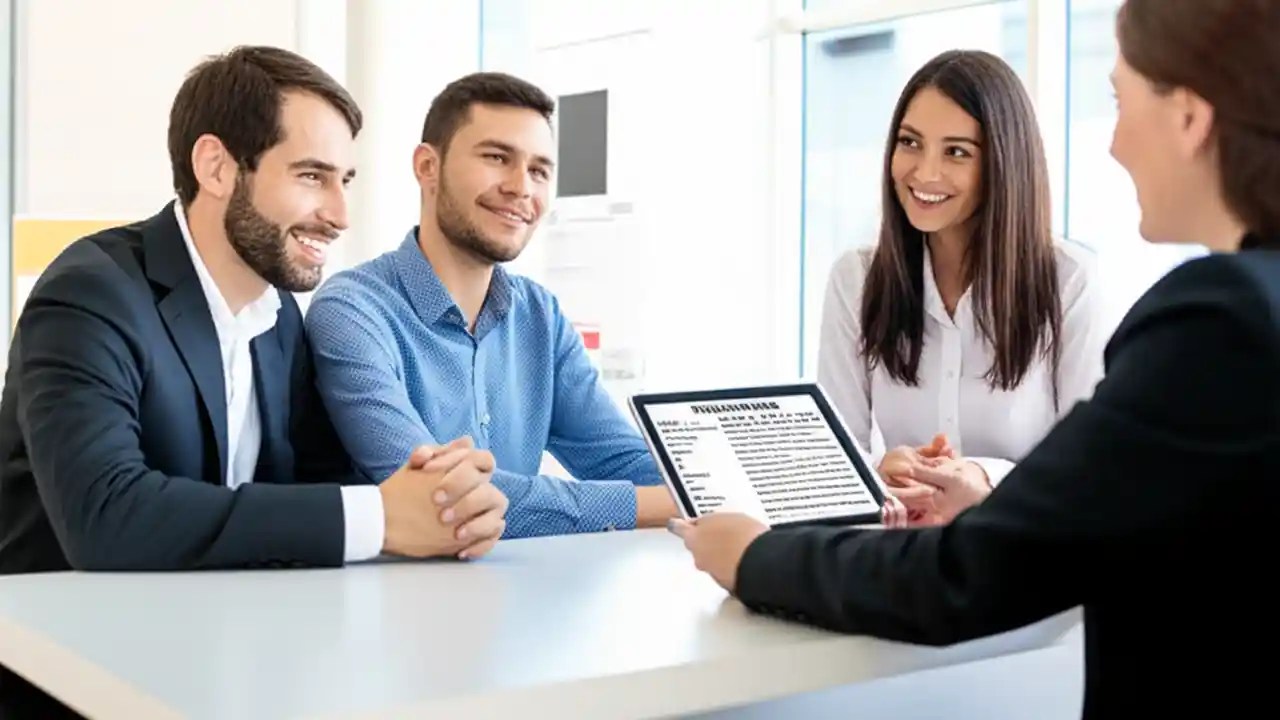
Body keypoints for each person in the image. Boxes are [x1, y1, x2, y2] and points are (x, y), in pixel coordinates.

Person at [674, 0, 1280, 716]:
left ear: (1189, 116)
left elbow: (977, 573)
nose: (1113, 142)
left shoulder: (1223, 320)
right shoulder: (1250, 306)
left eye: (1121, 99)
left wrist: (752, 557)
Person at [0, 46, 508, 576]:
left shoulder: (277, 315)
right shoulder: (91, 294)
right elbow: (104, 516)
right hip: (54, 647)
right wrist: (379, 517)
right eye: (312, 176)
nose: (339, 215)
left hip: (211, 636)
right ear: (216, 168)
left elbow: (314, 484)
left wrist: (446, 503)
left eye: (346, 181)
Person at [305, 72, 677, 538]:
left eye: (539, 170)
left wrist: (698, 488)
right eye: (498, 157)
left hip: (519, 598)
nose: (522, 187)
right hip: (396, 604)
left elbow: (624, 461)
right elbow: (441, 497)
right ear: (427, 167)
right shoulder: (352, 312)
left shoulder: (541, 317)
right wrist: (664, 503)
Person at [817, 50, 1104, 524]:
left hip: (1026, 557)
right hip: (903, 557)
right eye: (910, 143)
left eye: (956, 152)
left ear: (1003, 165)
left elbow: (1091, 465)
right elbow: (834, 462)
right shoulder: (857, 278)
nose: (924, 173)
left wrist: (983, 479)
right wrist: (878, 473)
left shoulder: (1069, 279)